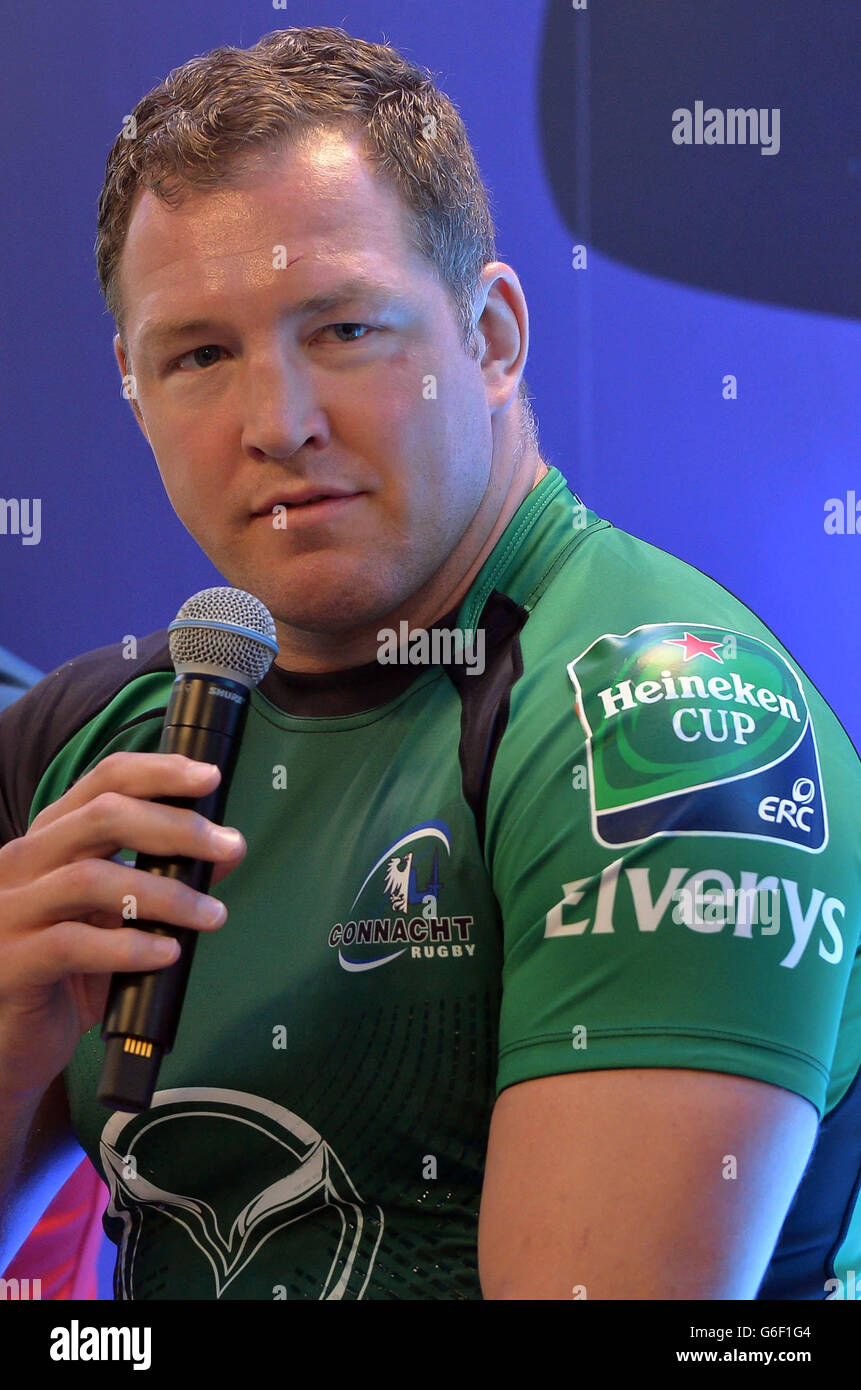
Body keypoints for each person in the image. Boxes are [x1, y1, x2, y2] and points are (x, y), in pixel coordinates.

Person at [1, 24, 859, 1302]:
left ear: (496, 335)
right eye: (198, 355)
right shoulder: (93, 735)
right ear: (130, 385)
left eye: (344, 328)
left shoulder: (665, 723)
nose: (275, 422)